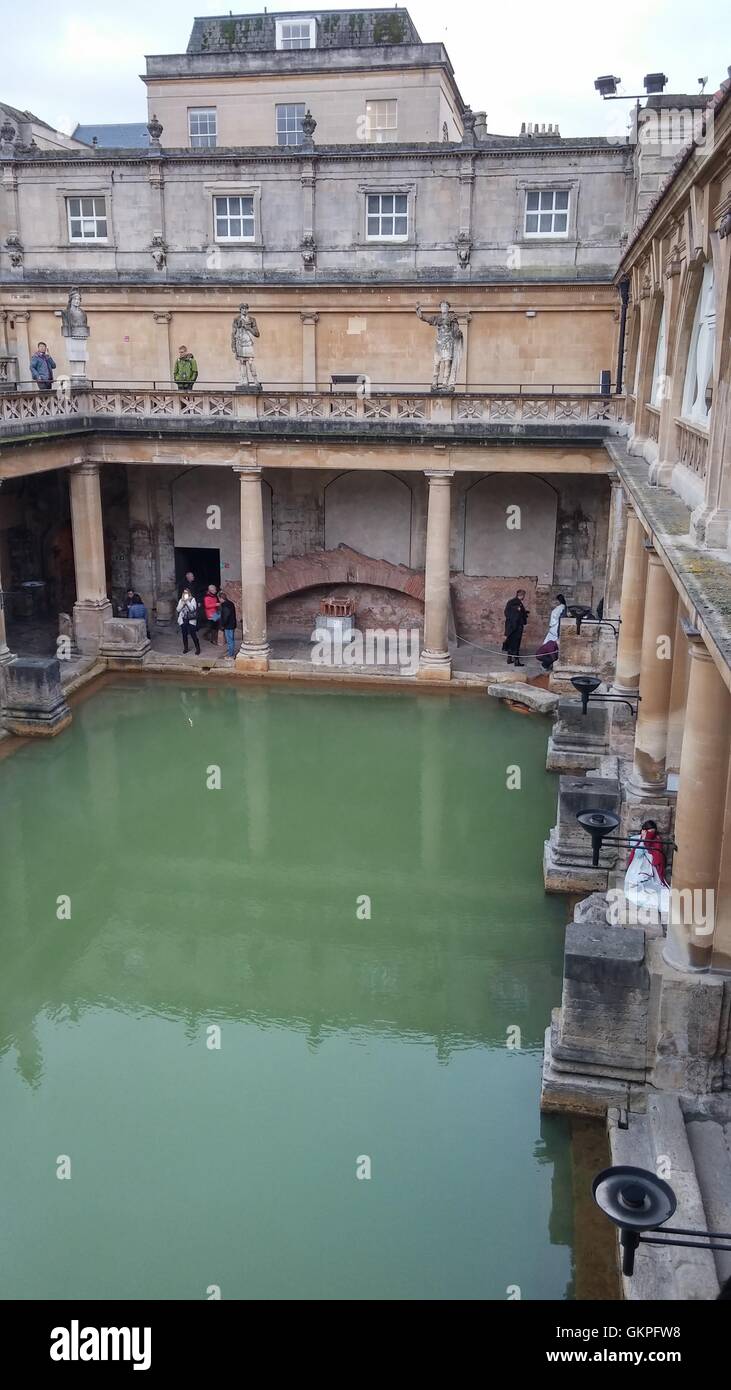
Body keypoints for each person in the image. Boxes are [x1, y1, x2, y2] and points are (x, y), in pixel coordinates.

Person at [624, 820, 669, 918]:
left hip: (651, 869)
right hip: (637, 867)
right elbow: (638, 854)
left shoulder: (657, 840)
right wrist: (644, 839)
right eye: (649, 832)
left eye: (652, 832)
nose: (650, 835)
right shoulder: (637, 839)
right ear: (643, 830)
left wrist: (649, 847)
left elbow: (658, 857)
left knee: (661, 892)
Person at [503, 589, 529, 667]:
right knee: (516, 643)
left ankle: (509, 659)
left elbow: (507, 613)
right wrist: (523, 616)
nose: (524, 597)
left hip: (509, 627)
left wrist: (524, 612)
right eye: (524, 595)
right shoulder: (517, 604)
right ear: (521, 595)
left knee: (510, 642)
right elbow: (517, 616)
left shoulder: (510, 602)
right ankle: (516, 662)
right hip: (516, 627)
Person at [176, 588, 200, 655]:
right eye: (184, 592)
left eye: (186, 592)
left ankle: (198, 648)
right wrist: (182, 603)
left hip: (191, 619)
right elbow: (178, 609)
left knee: (193, 634)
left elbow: (192, 609)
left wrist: (187, 602)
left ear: (189, 593)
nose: (185, 594)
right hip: (183, 619)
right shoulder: (181, 600)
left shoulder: (193, 599)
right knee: (184, 634)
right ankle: (185, 648)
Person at [219, 592, 237, 658]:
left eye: (219, 599)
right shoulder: (230, 603)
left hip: (228, 625)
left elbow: (225, 616)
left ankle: (230, 654)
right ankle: (230, 651)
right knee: (231, 639)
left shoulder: (225, 605)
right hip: (232, 624)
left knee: (229, 640)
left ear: (221, 598)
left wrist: (222, 625)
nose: (219, 600)